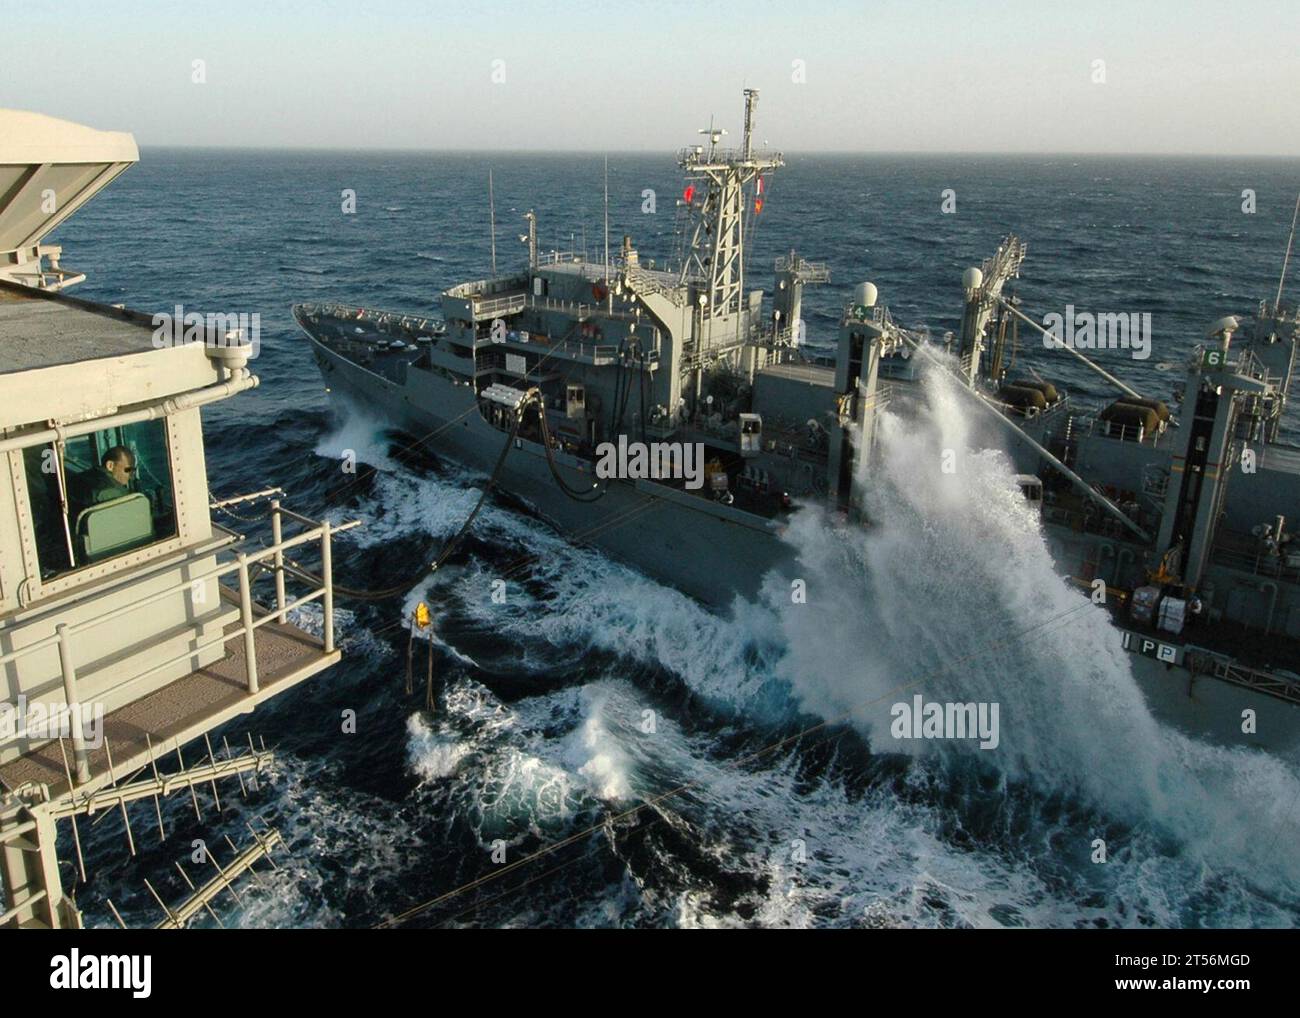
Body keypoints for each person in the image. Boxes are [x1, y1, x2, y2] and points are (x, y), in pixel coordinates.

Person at [70, 445, 135, 520]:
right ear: (110, 465)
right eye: (128, 470)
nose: (130, 475)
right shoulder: (113, 493)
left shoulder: (83, 477)